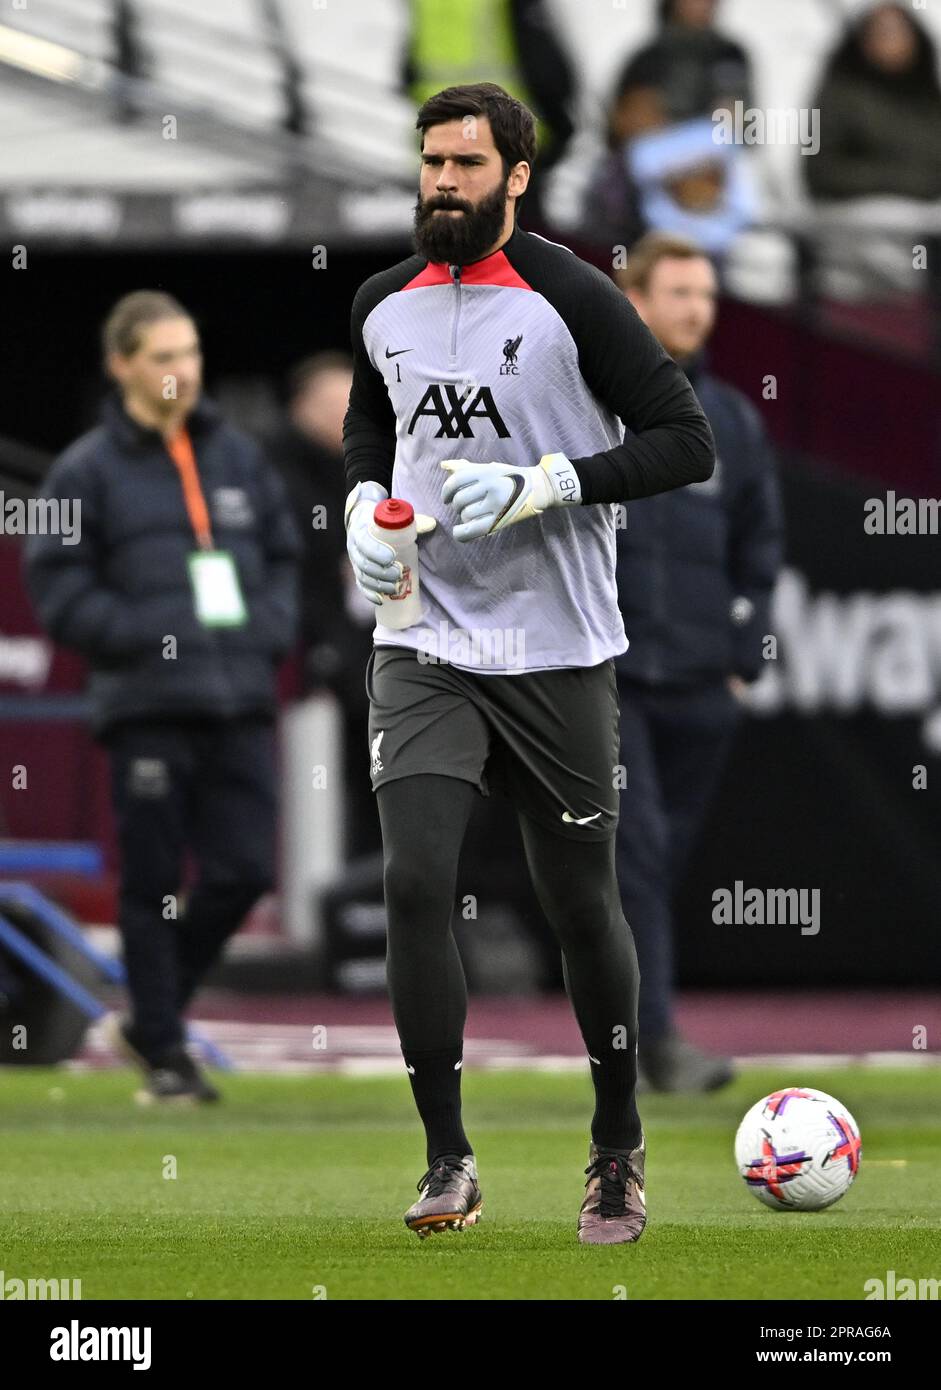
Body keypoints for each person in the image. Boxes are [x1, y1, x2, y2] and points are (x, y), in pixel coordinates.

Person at [343, 82, 715, 1243]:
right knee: (413, 879)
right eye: (430, 163)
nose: (440, 183)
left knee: (579, 908)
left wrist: (551, 481)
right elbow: (372, 419)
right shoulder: (381, 302)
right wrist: (362, 498)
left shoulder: (573, 298)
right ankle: (446, 1157)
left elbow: (683, 440)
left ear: (514, 177)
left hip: (555, 647)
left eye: (464, 165)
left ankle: (615, 1144)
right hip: (425, 637)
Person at [25, 291, 300, 1103]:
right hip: (146, 702)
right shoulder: (82, 468)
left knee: (245, 870)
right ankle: (169, 1054)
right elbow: (57, 588)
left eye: (191, 353)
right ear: (122, 366)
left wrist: (267, 630)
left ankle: (152, 1017)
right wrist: (143, 632)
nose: (183, 370)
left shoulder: (238, 456)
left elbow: (285, 557)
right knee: (149, 882)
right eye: (163, 356)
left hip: (238, 696)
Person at [612, 233, 783, 1091]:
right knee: (636, 851)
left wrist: (745, 655)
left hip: (699, 683)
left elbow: (759, 546)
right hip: (609, 677)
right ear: (633, 298)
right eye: (677, 292)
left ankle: (623, 1021)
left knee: (658, 861)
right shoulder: (588, 404)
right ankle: (657, 1041)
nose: (695, 309)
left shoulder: (733, 420)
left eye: (705, 295)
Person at [266, 352, 380, 860]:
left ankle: (365, 892)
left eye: (352, 402)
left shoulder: (368, 467)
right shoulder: (270, 473)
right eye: (334, 403)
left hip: (367, 654)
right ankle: (321, 900)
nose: (346, 414)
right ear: (301, 406)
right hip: (305, 657)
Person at [806, 2, 941, 204]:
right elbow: (820, 171)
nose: (892, 42)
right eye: (882, 32)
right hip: (851, 219)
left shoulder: (929, 100)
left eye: (899, 32)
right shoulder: (839, 96)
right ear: (862, 40)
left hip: (926, 220)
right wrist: (902, 183)